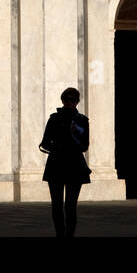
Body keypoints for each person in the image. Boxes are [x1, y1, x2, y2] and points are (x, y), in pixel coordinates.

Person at [39, 87, 90, 237]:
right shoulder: (54, 119)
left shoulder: (82, 120)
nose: (69, 102)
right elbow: (45, 143)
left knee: (71, 206)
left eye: (72, 99)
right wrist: (59, 144)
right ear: (62, 100)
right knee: (57, 205)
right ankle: (60, 235)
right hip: (57, 163)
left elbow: (84, 146)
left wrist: (75, 133)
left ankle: (69, 235)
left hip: (74, 165)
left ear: (77, 102)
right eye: (67, 99)